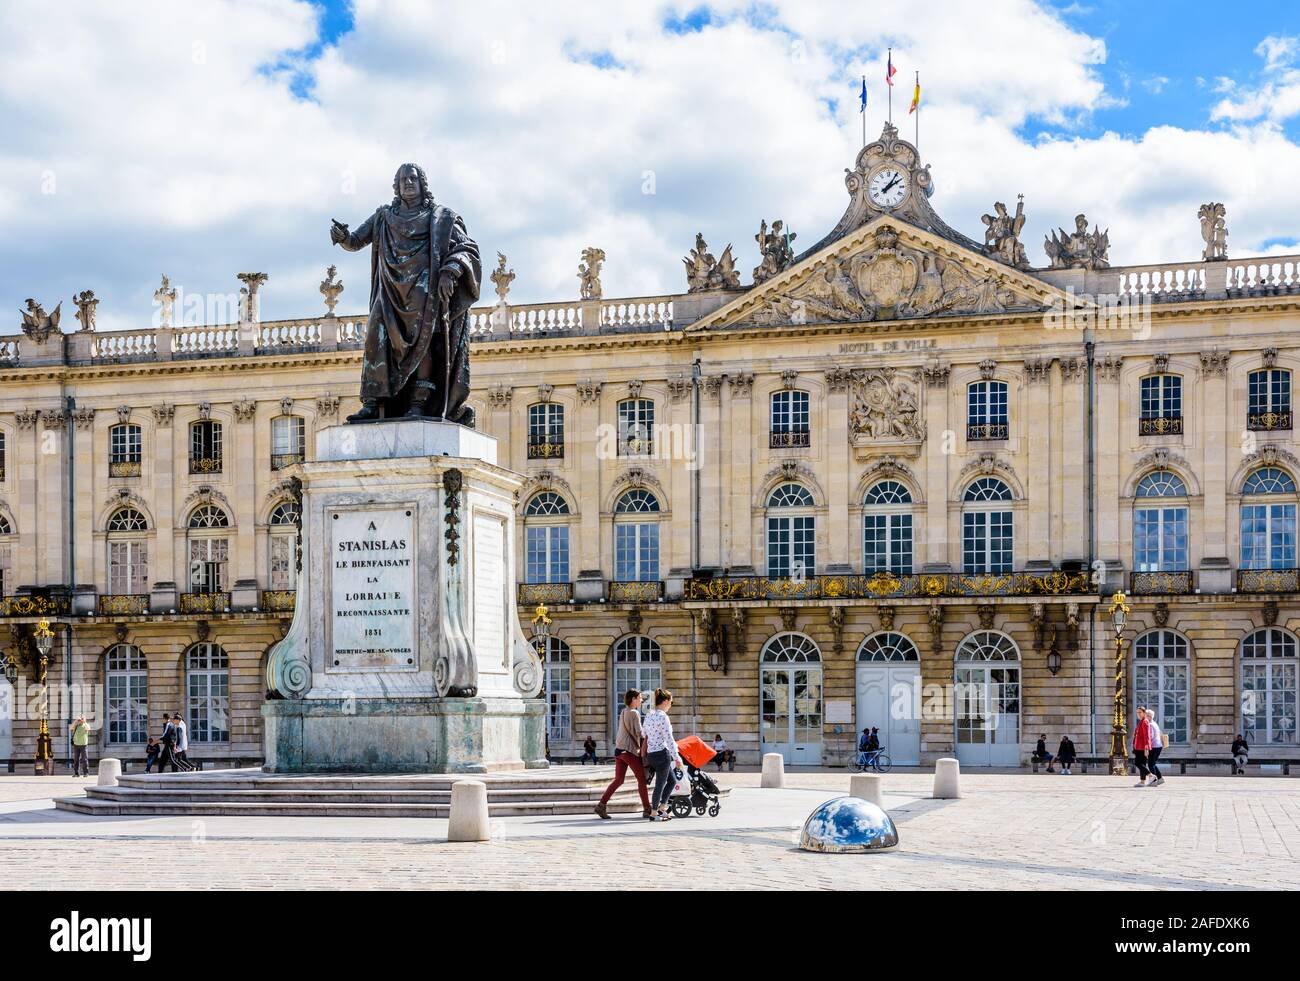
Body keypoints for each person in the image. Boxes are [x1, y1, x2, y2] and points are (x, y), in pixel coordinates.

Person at [595, 689, 651, 820]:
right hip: (629, 751)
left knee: (619, 780)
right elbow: (639, 732)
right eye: (640, 698)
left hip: (619, 750)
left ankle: (601, 805)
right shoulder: (634, 713)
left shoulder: (624, 711)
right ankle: (647, 808)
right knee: (642, 780)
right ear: (633, 699)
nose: (641, 700)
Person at [643, 688, 683, 822]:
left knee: (671, 781)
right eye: (671, 702)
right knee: (660, 784)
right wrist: (677, 758)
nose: (671, 705)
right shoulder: (663, 717)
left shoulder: (649, 715)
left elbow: (644, 734)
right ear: (665, 701)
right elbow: (669, 739)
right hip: (662, 753)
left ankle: (662, 808)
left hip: (651, 754)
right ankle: (654, 813)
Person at [1132, 703, 1152, 787]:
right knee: (1142, 764)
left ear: (1144, 713)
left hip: (1142, 747)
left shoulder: (1145, 722)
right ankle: (1142, 781)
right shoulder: (1141, 722)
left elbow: (1147, 736)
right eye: (1137, 712)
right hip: (1139, 746)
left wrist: (1146, 747)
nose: (1138, 714)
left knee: (1137, 763)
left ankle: (1151, 775)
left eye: (1140, 712)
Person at [1144, 708, 1165, 787]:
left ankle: (1154, 780)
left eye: (1146, 716)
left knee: (1150, 764)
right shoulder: (1154, 723)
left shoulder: (1149, 725)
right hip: (1158, 746)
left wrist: (1146, 747)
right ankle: (1160, 778)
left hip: (1154, 746)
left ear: (1149, 716)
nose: (1145, 717)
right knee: (1153, 763)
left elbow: (1150, 737)